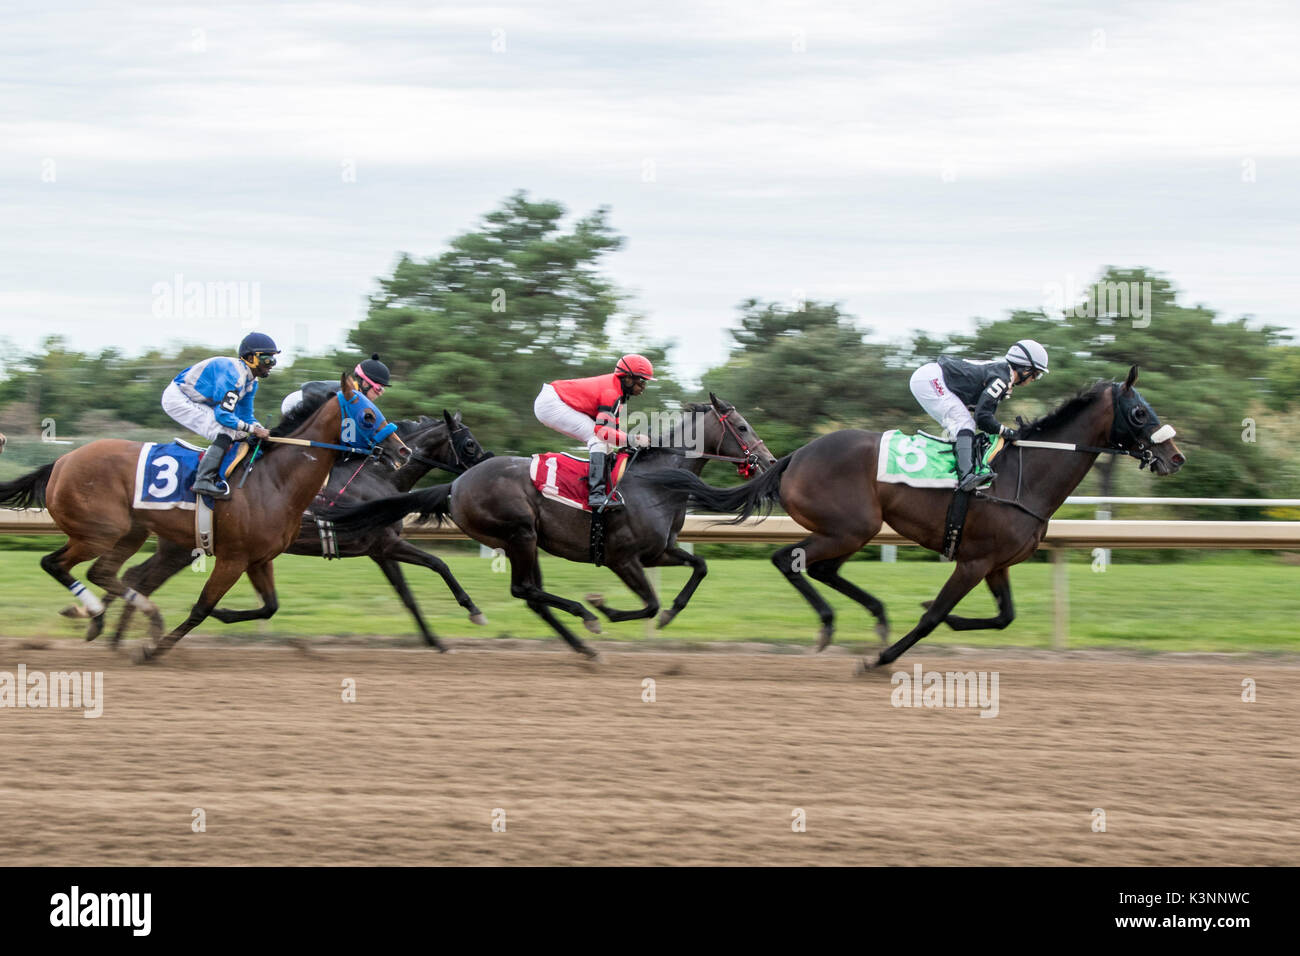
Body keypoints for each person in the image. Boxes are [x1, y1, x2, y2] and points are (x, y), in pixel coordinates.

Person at [909, 339, 1049, 492]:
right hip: (930, 379)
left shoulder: (1003, 375)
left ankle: (962, 469)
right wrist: (1008, 432)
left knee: (964, 425)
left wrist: (1003, 431)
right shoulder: (1002, 380)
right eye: (1036, 375)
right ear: (1026, 369)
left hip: (931, 376)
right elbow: (982, 418)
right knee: (964, 424)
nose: (1034, 379)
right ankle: (966, 476)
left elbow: (984, 418)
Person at [162, 332, 280, 499]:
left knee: (239, 433)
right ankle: (203, 480)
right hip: (179, 398)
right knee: (224, 431)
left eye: (274, 359)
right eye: (268, 359)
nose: (272, 364)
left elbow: (246, 416)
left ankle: (225, 474)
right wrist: (254, 430)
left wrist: (263, 430)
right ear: (251, 358)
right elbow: (223, 416)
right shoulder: (234, 375)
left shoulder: (251, 382)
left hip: (200, 401)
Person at [534, 354, 655, 508]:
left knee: (606, 443)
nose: (644, 386)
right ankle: (596, 495)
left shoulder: (618, 394)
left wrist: (629, 442)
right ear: (628, 379)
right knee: (598, 439)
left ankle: (600, 489)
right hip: (551, 404)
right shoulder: (611, 392)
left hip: (553, 399)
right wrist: (633, 439)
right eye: (642, 380)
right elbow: (603, 433)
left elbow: (613, 431)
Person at [281, 353, 391, 418]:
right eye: (379, 388)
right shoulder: (348, 393)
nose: (380, 393)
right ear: (366, 383)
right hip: (297, 402)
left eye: (382, 389)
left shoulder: (356, 395)